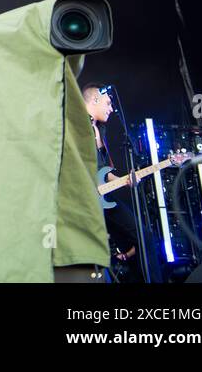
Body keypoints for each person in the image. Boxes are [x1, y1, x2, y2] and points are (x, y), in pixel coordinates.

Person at [82, 82, 142, 280]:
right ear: (95, 99)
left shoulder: (100, 130)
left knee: (141, 236)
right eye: (108, 103)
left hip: (101, 198)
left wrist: (125, 179)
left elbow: (102, 170)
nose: (112, 108)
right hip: (81, 201)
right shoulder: (75, 123)